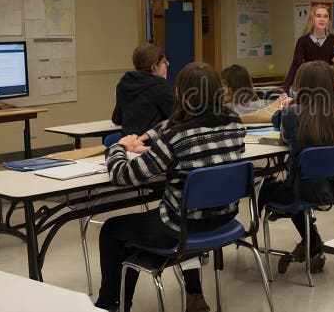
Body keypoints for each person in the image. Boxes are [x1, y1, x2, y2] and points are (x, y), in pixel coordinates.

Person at [95, 63, 244, 312]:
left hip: (181, 227)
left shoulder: (177, 137)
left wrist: (118, 148)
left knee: (112, 230)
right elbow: (177, 124)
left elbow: (125, 175)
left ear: (180, 94)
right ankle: (194, 295)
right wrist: (145, 138)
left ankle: (109, 305)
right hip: (224, 219)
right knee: (147, 232)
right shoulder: (235, 123)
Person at [259, 61, 334, 275]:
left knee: (265, 189)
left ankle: (309, 244)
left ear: (301, 85)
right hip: (332, 188)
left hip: (299, 190)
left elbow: (285, 136)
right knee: (296, 188)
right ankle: (310, 245)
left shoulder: (293, 113)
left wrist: (286, 108)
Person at [111, 43, 174, 136]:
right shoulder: (160, 87)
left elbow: (116, 118)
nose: (168, 64)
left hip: (129, 144)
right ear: (154, 67)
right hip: (153, 144)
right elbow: (177, 117)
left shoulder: (124, 84)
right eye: (164, 62)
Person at [283, 4, 334, 91]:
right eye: (318, 16)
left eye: (325, 16)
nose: (322, 19)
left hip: (328, 85)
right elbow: (296, 65)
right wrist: (286, 88)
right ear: (312, 18)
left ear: (329, 20)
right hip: (308, 85)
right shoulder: (303, 41)